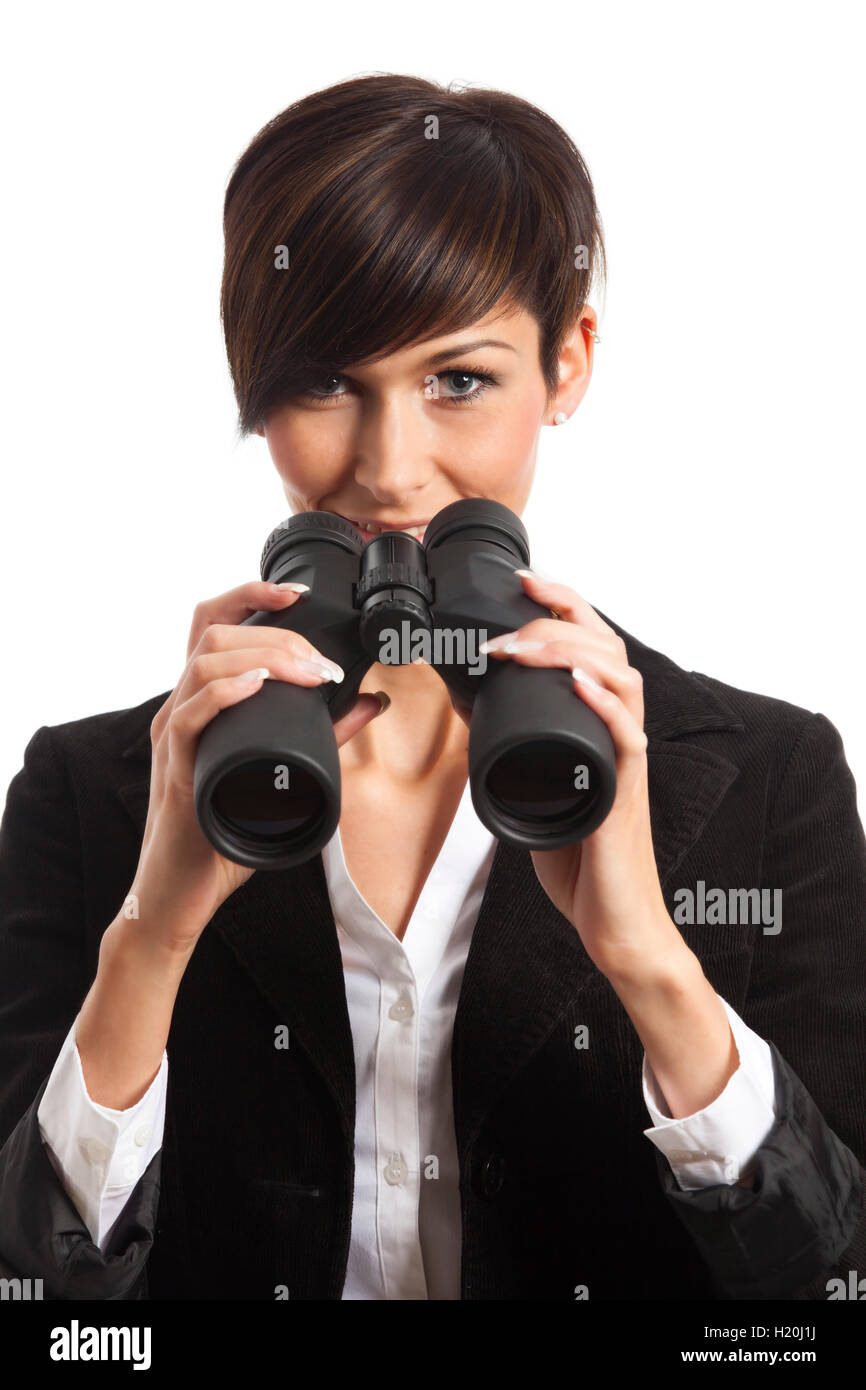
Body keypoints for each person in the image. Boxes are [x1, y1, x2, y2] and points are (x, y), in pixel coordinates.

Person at [1, 73, 864, 1302]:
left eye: (458, 380)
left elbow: (829, 1296)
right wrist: (150, 938)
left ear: (566, 361)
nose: (390, 471)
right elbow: (39, 1309)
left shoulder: (769, 780)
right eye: (324, 383)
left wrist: (648, 960)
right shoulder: (89, 790)